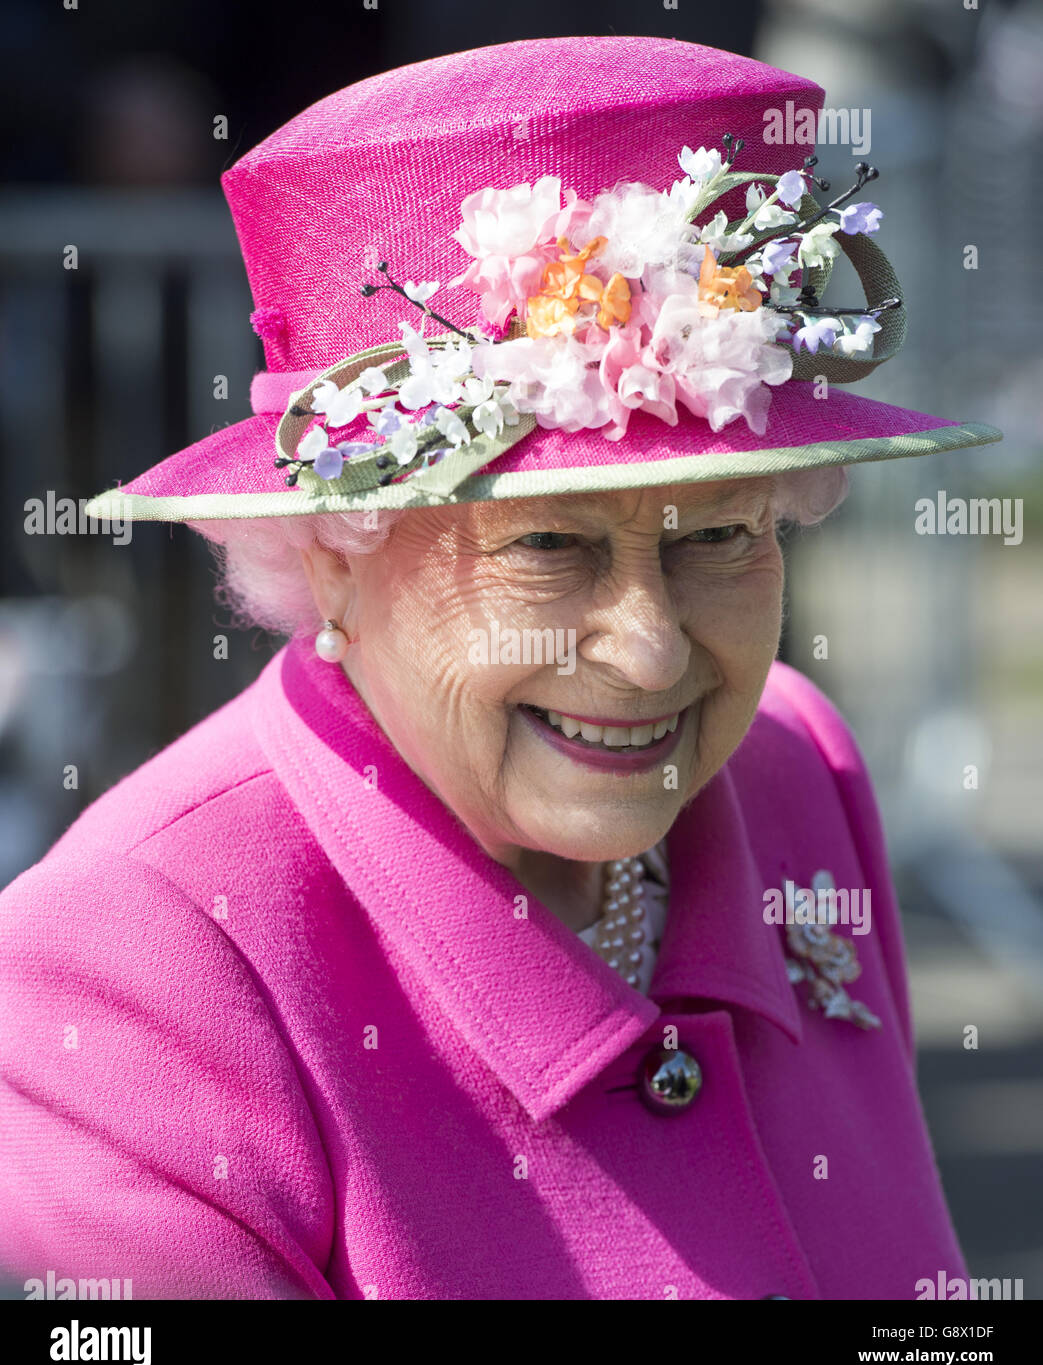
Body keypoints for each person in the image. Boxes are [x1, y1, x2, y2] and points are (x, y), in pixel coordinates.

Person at [0, 35, 1000, 1300]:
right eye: (548, 547)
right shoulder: (132, 963)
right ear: (330, 555)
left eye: (714, 535)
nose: (646, 650)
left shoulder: (795, 767)